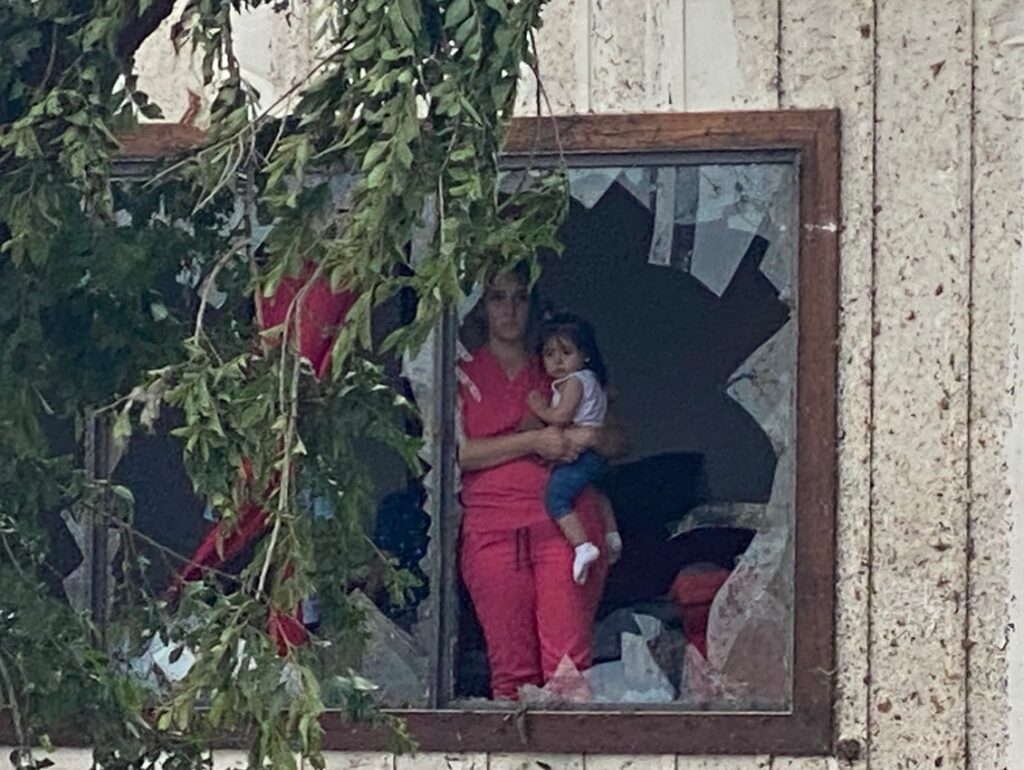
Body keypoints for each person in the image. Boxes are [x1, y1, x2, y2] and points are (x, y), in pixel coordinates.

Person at [457, 263, 628, 700]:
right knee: (511, 674)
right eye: (498, 297)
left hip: (562, 527)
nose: (510, 309)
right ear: (480, 307)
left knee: (567, 672)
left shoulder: (557, 362)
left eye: (520, 297)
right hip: (492, 529)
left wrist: (584, 434)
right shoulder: (460, 370)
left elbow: (618, 441)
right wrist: (534, 440)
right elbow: (455, 454)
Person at [525, 312, 621, 584]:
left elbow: (561, 416)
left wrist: (538, 406)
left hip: (582, 453)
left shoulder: (575, 382)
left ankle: (582, 546)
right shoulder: (594, 381)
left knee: (556, 498)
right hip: (595, 456)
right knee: (596, 492)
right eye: (549, 354)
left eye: (565, 352)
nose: (557, 361)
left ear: (584, 354)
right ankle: (612, 536)